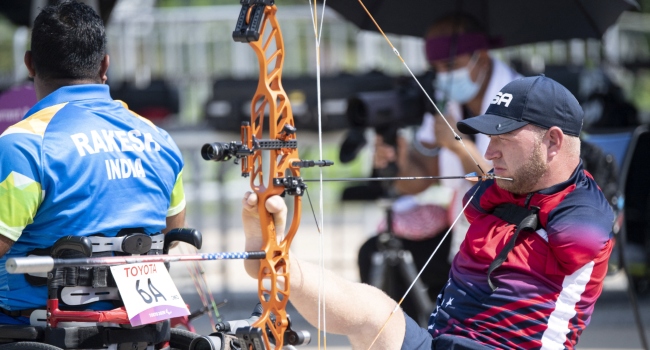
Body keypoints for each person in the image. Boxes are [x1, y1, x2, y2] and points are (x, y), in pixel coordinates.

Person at [243, 75, 615, 349]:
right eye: (490, 138)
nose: (489, 152)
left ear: (552, 140)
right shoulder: (506, 192)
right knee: (375, 311)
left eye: (504, 137)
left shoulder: (584, 209)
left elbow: (581, 239)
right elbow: (474, 201)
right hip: (438, 343)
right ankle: (279, 263)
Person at [0, 1, 185, 325]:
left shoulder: (24, 146)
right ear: (104, 65)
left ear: (29, 64)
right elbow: (176, 237)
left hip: (29, 330)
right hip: (139, 333)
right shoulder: (160, 140)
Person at [358, 14, 522, 321]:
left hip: (514, 232)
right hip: (465, 227)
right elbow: (418, 181)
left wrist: (459, 145)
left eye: (450, 66)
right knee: (377, 254)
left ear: (481, 56)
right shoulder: (445, 101)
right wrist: (398, 162)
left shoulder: (520, 99)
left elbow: (510, 184)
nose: (443, 75)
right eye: (436, 68)